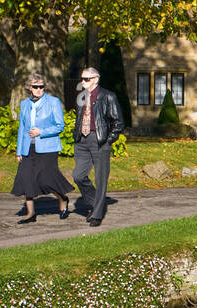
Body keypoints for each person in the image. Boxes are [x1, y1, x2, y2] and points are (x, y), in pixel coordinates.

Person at [11, 74, 73, 223]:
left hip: (48, 147)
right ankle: (30, 213)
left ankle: (63, 199)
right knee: (26, 179)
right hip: (28, 147)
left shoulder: (53, 102)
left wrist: (41, 132)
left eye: (41, 87)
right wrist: (19, 150)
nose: (38, 89)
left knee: (46, 179)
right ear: (29, 88)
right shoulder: (25, 104)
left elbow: (60, 126)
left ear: (45, 87)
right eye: (35, 87)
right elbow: (22, 128)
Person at [73, 66, 124, 227]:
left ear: (95, 79)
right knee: (78, 176)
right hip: (82, 141)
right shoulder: (81, 97)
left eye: (86, 79)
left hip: (99, 141)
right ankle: (97, 203)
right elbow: (79, 117)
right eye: (81, 79)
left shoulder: (108, 96)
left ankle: (97, 214)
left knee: (100, 179)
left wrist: (108, 140)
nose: (83, 82)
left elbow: (119, 122)